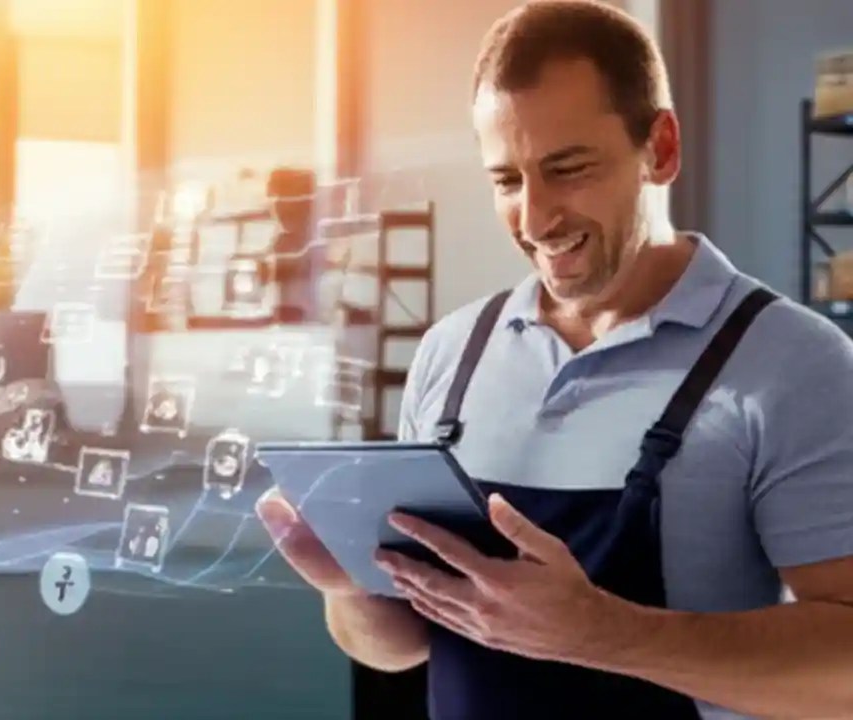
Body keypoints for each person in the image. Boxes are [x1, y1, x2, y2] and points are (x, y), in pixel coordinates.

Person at [256, 2, 853, 718]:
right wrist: (350, 585)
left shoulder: (793, 365)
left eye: (567, 169)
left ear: (660, 148)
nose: (535, 221)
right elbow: (402, 647)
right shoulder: (453, 355)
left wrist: (604, 634)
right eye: (507, 181)